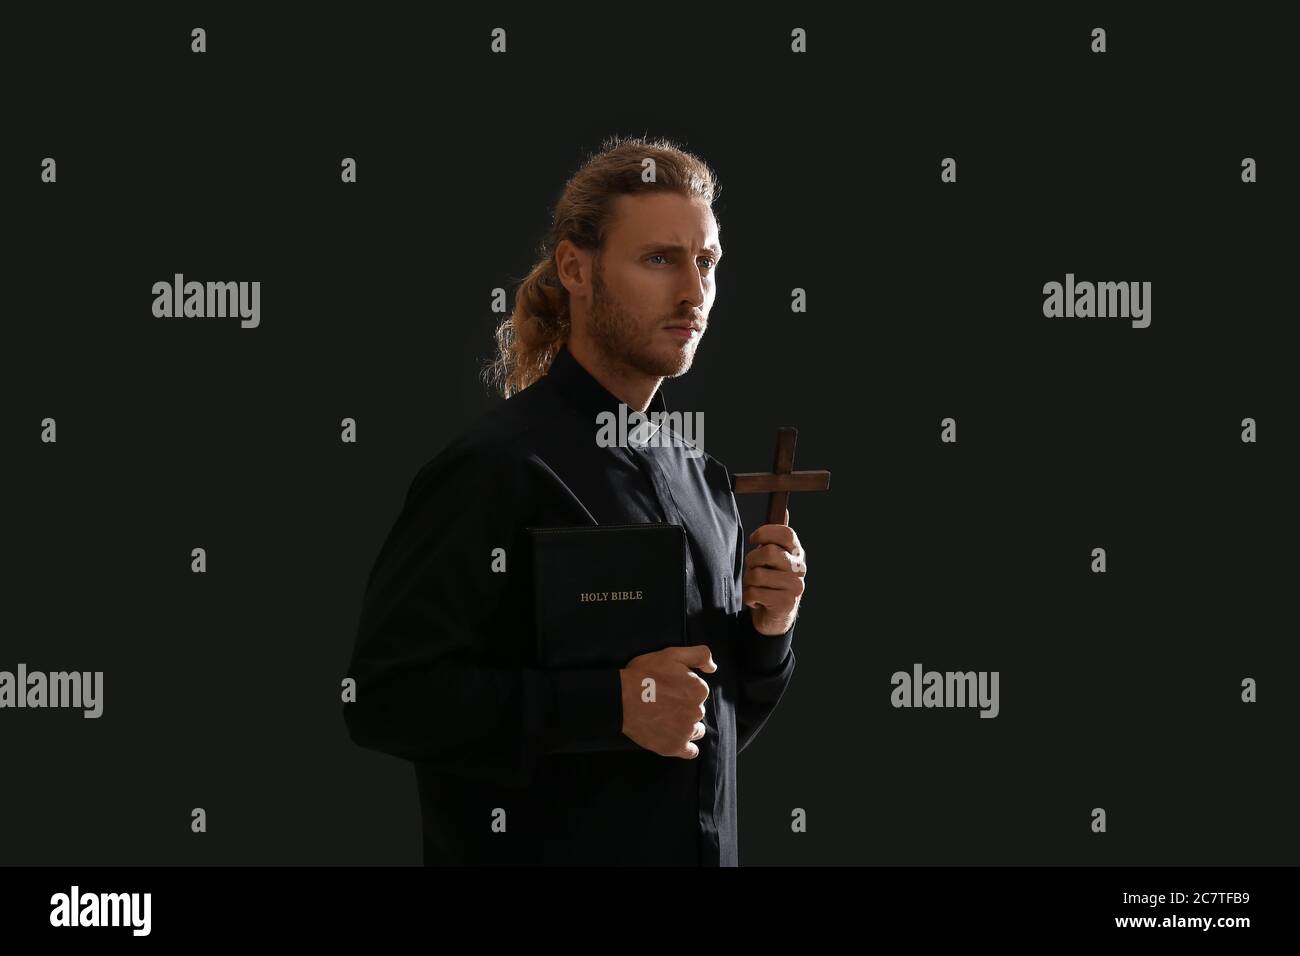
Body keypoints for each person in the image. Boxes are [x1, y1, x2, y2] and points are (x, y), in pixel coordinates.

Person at [343, 135, 809, 865]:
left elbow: (707, 734)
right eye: (659, 259)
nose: (693, 291)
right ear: (575, 267)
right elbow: (384, 698)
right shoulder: (494, 468)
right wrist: (609, 705)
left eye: (707, 262)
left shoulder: (705, 482)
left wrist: (770, 634)